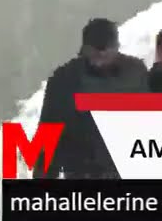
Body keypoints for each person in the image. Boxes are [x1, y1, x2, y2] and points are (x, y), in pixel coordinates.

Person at [35, 19, 148, 178]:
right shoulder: (65, 79)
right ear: (85, 49)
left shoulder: (135, 72)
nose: (101, 56)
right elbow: (49, 130)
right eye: (96, 50)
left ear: (116, 47)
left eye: (106, 50)